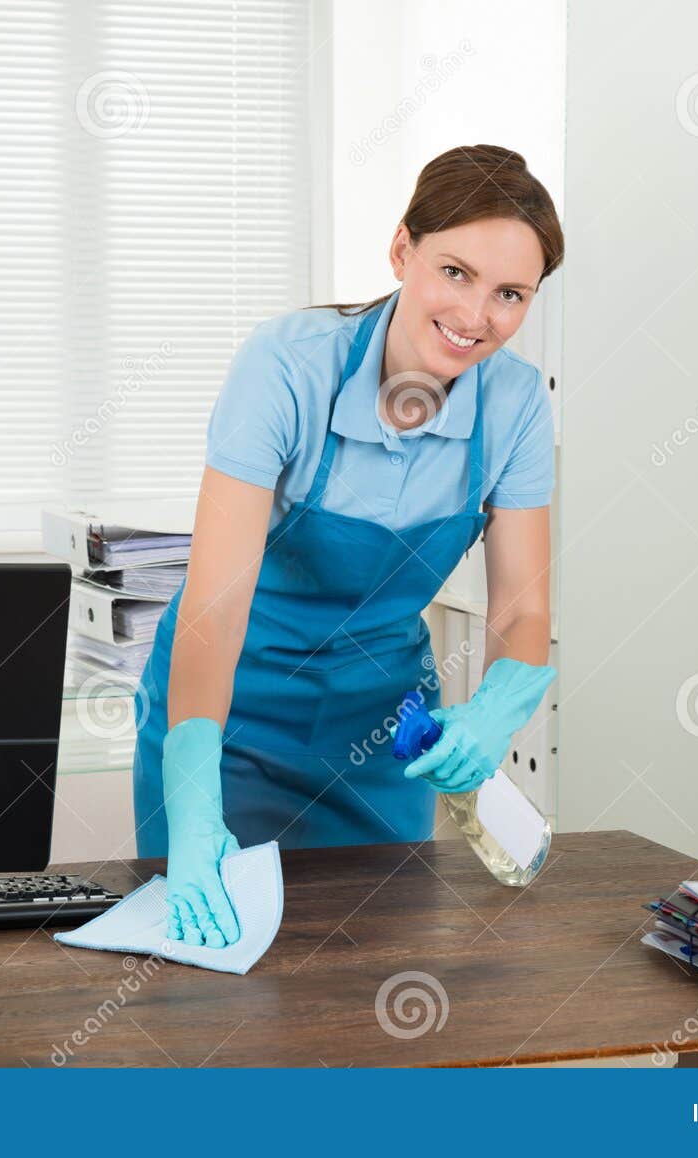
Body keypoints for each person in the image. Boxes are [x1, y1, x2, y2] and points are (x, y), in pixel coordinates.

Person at [132, 144, 563, 948]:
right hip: (227, 725)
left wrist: (497, 708)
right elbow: (214, 608)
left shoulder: (516, 408)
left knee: (373, 981)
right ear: (403, 250)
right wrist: (194, 809)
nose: (476, 317)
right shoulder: (286, 367)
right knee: (210, 993)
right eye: (456, 272)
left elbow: (523, 603)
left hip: (379, 739)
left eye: (510, 294)